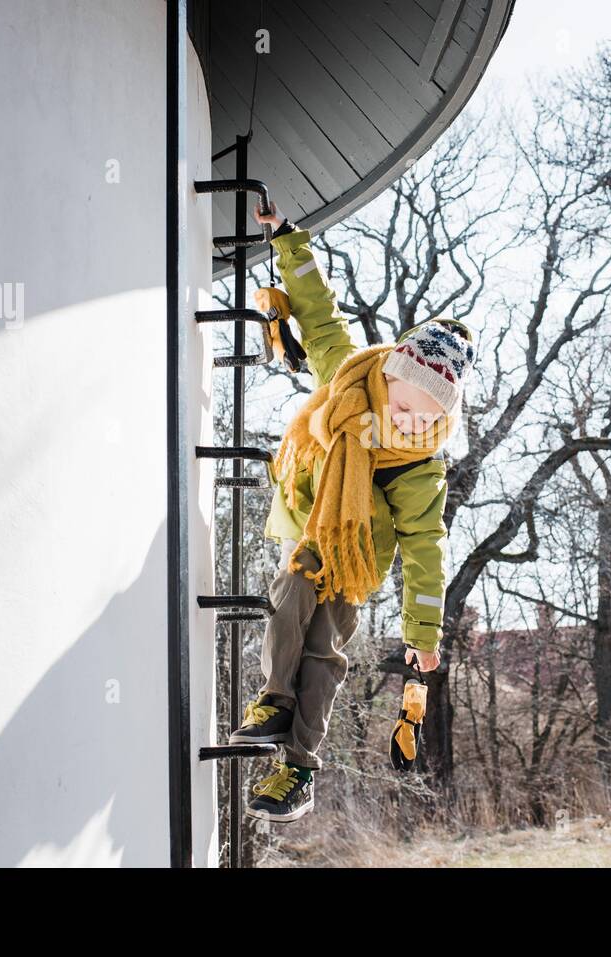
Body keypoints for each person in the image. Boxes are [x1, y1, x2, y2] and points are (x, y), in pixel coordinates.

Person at [231, 200, 476, 823]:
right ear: (391, 372)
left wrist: (423, 637)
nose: (410, 420)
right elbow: (316, 314)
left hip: (359, 559)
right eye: (406, 402)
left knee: (324, 652)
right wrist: (288, 241)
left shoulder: (421, 463)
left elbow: (425, 546)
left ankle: (298, 769)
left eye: (428, 414)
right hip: (312, 529)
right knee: (292, 588)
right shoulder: (347, 376)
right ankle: (272, 701)